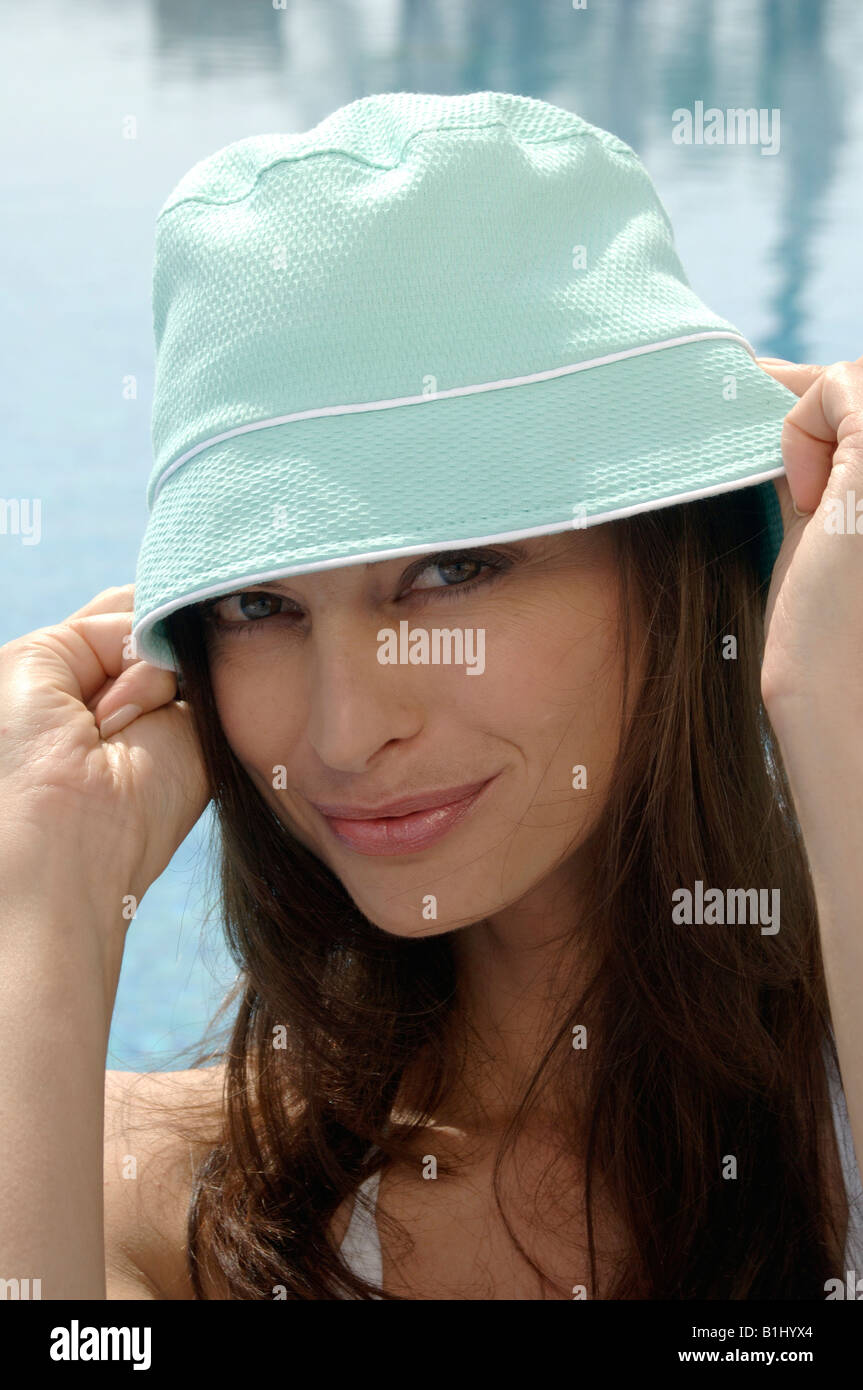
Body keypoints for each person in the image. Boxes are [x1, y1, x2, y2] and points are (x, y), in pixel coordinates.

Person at [1, 92, 861, 1301]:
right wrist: (41, 884)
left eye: (448, 572)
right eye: (259, 605)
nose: (348, 730)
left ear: (668, 563)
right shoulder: (132, 1190)